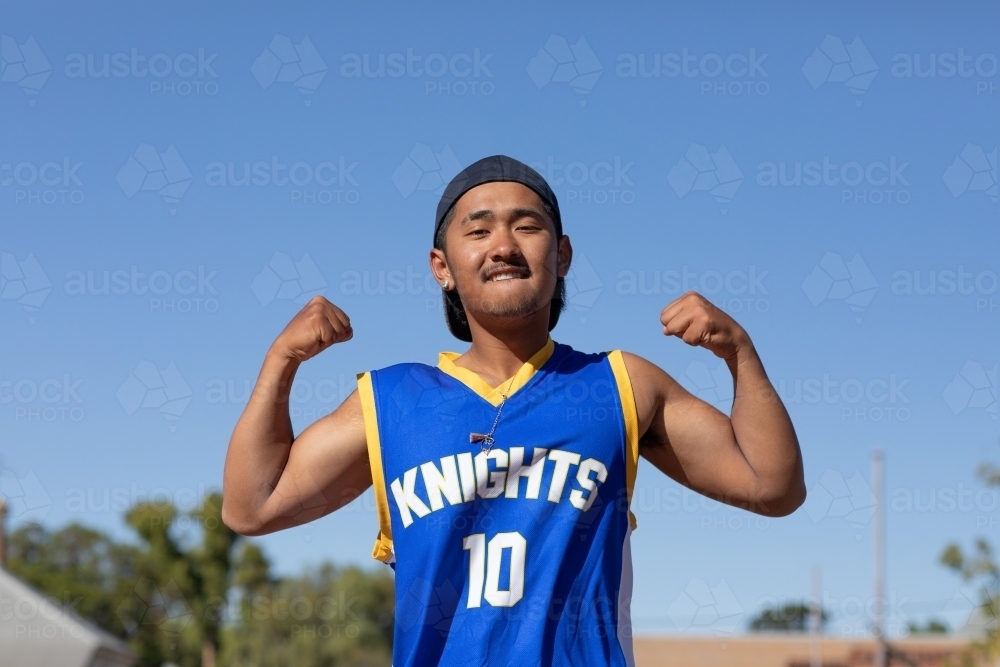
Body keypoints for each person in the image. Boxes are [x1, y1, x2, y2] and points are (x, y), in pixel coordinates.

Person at [222, 155, 806, 666]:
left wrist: (740, 355)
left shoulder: (620, 385)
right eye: (478, 231)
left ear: (564, 254)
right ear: (441, 267)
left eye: (528, 227)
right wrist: (281, 362)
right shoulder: (392, 400)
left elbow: (773, 486)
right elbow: (251, 506)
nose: (504, 245)